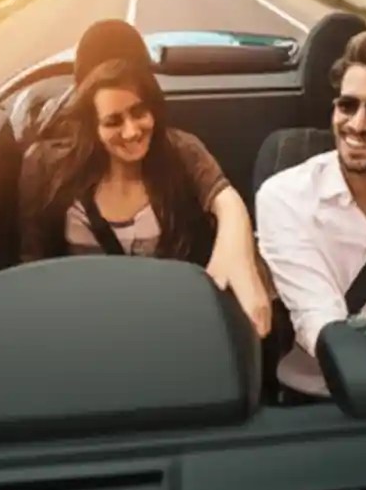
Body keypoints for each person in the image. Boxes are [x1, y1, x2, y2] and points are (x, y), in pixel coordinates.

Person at [18, 56, 273, 337]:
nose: (131, 131)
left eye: (139, 112)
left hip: (165, 318)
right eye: (113, 121)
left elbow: (225, 199)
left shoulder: (180, 150)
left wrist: (239, 258)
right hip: (83, 320)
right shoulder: (47, 166)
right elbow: (34, 259)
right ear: (94, 128)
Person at [257, 31, 366, 403]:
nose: (358, 125)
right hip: (318, 395)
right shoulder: (285, 197)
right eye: (348, 105)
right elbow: (320, 320)